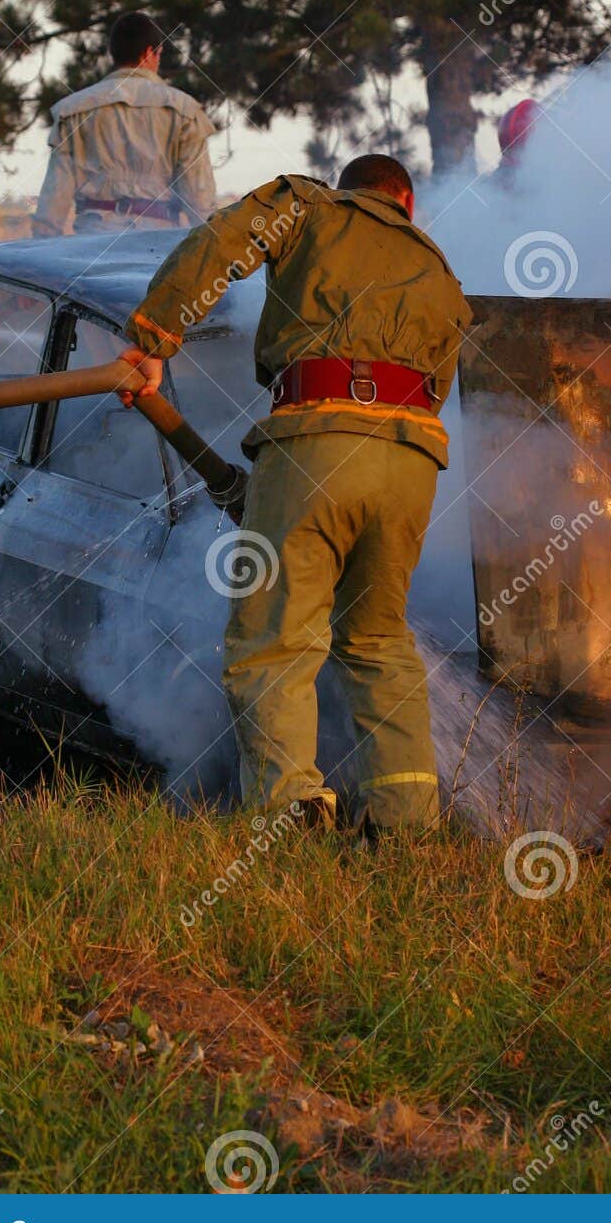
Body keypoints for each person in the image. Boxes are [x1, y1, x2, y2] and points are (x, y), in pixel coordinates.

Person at [117, 155, 472, 832]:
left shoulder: (309, 207)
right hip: (412, 464)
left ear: (350, 191)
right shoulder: (438, 268)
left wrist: (154, 337)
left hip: (316, 441)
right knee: (377, 640)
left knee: (275, 640)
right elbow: (439, 387)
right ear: (407, 203)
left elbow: (221, 242)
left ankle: (288, 819)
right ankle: (407, 827)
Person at [32, 12, 217, 237]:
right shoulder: (185, 111)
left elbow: (54, 200)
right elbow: (200, 201)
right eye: (159, 54)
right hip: (158, 248)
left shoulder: (74, 110)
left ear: (113, 54)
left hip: (91, 243)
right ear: (149, 53)